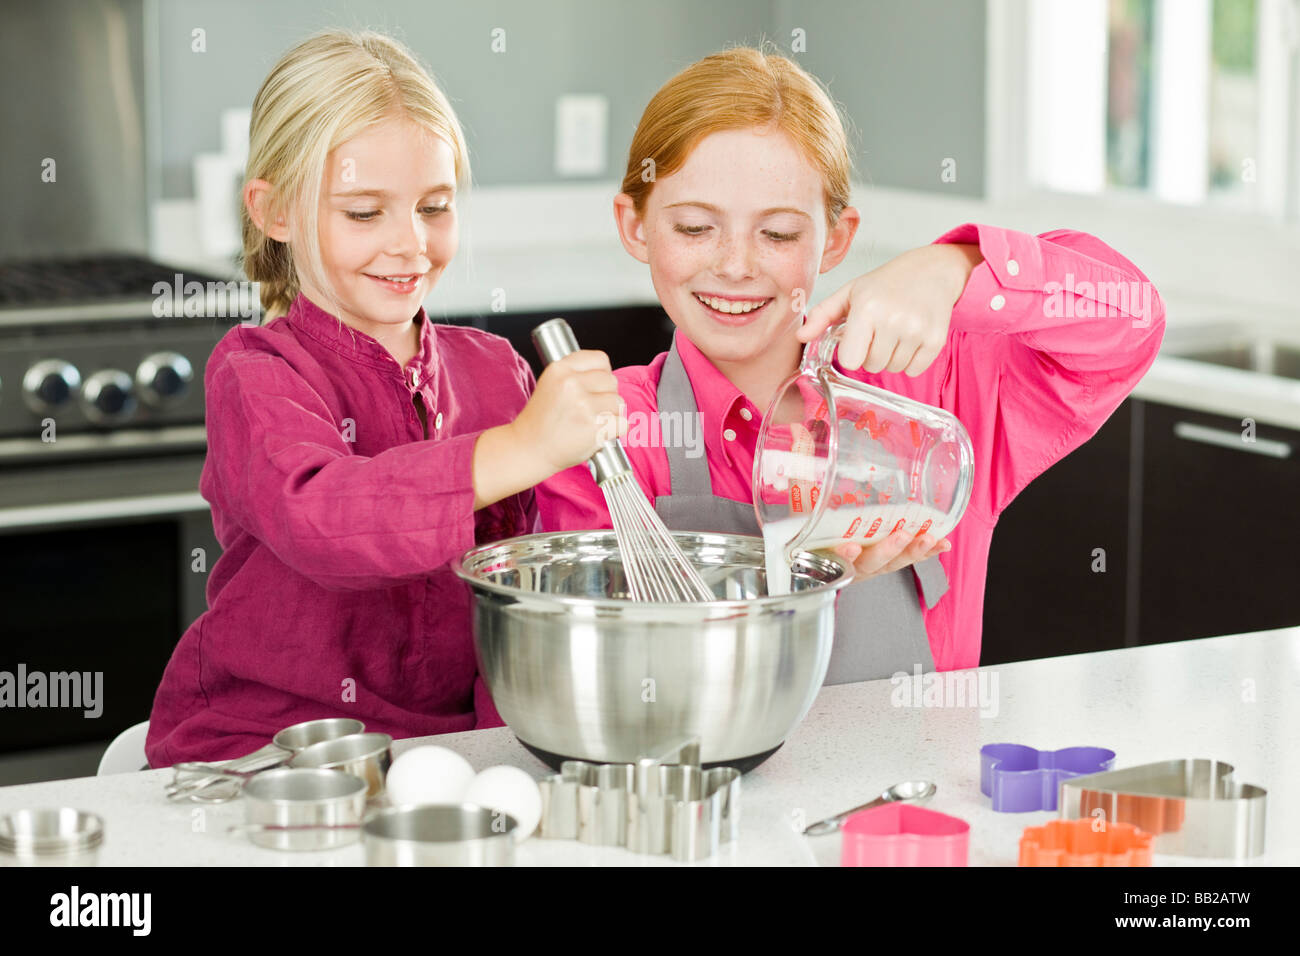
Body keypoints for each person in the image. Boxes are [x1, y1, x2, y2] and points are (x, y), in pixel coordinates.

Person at [536, 47, 1165, 681]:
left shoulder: (936, 386)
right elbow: (603, 679)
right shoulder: (605, 435)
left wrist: (957, 267)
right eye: (696, 227)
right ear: (635, 225)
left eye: (778, 234)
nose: (734, 265)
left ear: (835, 237)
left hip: (918, 780)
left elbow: (1133, 315)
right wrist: (808, 585)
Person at [146, 30, 623, 765]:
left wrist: (516, 746)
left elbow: (518, 593)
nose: (409, 244)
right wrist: (521, 448)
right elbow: (322, 518)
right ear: (273, 212)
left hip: (448, 751)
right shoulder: (257, 372)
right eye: (364, 213)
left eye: (434, 207)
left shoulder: (496, 371)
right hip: (266, 749)